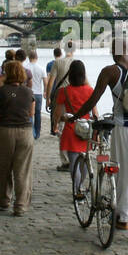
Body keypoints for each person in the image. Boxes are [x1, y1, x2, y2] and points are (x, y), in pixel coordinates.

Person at [67, 38, 128, 245]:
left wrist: (74, 116)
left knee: (120, 174)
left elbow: (93, 99)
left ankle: (122, 218)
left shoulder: (110, 72)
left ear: (112, 51)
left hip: (122, 127)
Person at [0, 60, 35, 216]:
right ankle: (20, 204)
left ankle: (3, 199)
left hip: (5, 131)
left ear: (6, 74)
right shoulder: (28, 93)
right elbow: (31, 114)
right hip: (25, 132)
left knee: (2, 167)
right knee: (23, 169)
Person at [53, 60, 94, 199]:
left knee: (74, 162)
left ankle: (77, 188)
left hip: (71, 129)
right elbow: (95, 112)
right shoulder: (90, 90)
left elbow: (58, 112)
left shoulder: (63, 91)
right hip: (86, 129)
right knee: (84, 162)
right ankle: (81, 185)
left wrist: (55, 125)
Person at [46, 41, 77, 170]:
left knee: (59, 126)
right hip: (74, 98)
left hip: (60, 97)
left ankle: (65, 160)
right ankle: (74, 155)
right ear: (74, 50)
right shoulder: (77, 63)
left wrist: (48, 97)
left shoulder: (57, 63)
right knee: (74, 126)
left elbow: (51, 81)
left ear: (64, 49)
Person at [26, 48, 47, 139]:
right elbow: (45, 82)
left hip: (28, 93)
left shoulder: (25, 67)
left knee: (28, 113)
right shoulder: (42, 68)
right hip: (38, 93)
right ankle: (37, 133)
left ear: (28, 57)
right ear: (37, 57)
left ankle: (31, 132)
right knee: (37, 114)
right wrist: (45, 92)